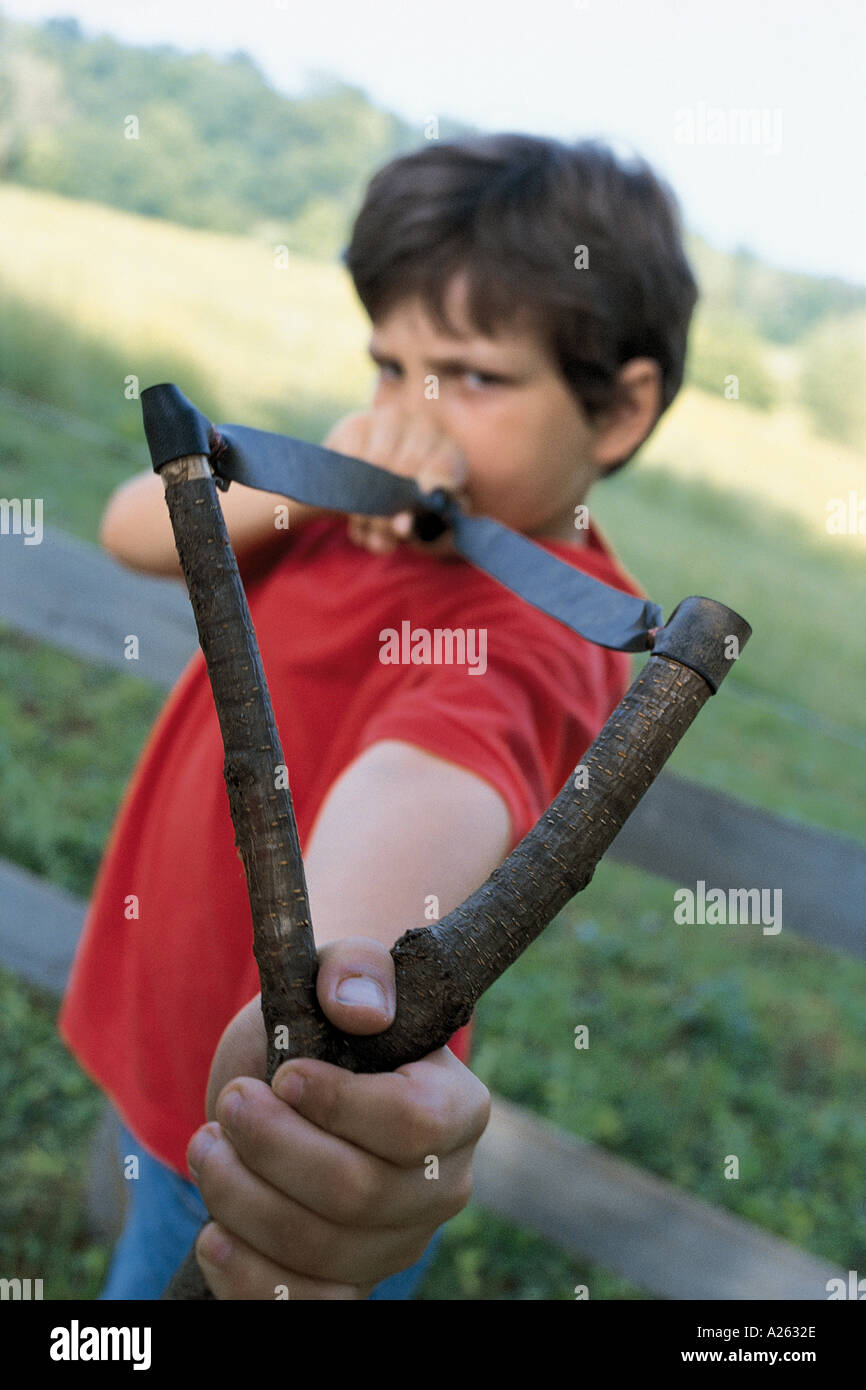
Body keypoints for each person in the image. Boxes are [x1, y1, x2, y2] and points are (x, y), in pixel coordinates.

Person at [59, 132, 698, 1299]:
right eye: (388, 368)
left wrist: (321, 1008)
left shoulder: (539, 632)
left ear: (617, 411)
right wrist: (297, 483)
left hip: (273, 1144)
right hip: (162, 1074)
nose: (416, 416)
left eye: (474, 377)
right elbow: (130, 527)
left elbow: (426, 785)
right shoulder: (331, 511)